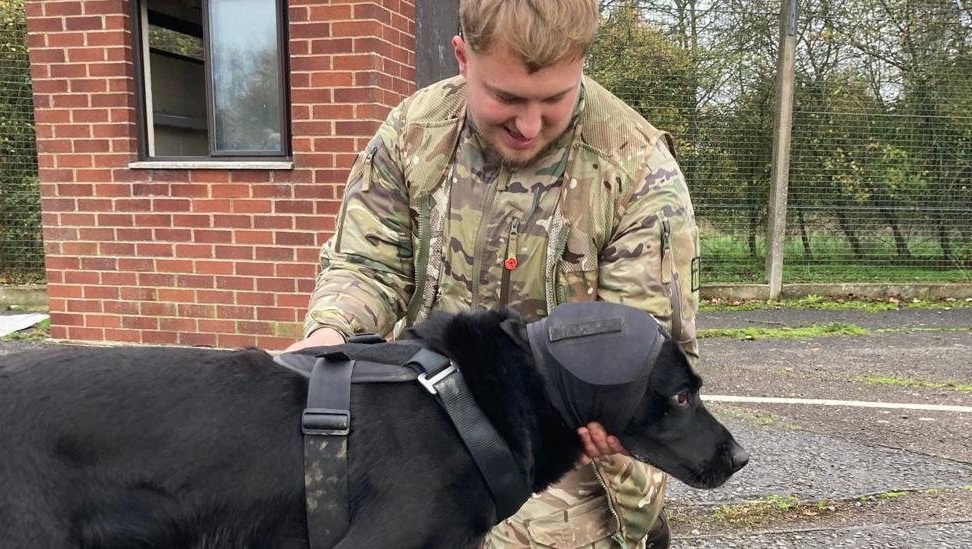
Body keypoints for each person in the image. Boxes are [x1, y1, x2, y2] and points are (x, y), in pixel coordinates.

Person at [286, 0, 700, 547]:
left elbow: (646, 360)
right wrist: (327, 337)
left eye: (554, 98)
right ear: (462, 57)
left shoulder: (635, 169)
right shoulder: (415, 133)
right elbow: (368, 263)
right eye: (505, 97)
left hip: (567, 462)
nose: (529, 126)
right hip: (426, 430)